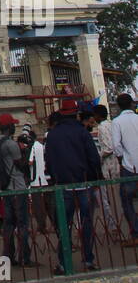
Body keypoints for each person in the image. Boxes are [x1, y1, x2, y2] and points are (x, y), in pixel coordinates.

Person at [44, 97, 102, 273]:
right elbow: (93, 157)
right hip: (83, 182)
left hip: (63, 184)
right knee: (86, 222)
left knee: (64, 224)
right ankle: (88, 260)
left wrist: (55, 178)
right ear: (76, 115)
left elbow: (50, 160)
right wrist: (96, 178)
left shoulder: (53, 134)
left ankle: (63, 263)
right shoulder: (82, 132)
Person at [0, 113, 34, 268]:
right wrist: (25, 150)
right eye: (13, 125)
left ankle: (8, 256)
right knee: (22, 223)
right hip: (17, 185)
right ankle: (25, 257)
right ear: (10, 127)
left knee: (9, 224)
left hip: (5, 187)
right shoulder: (10, 144)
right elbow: (20, 164)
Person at [111, 94, 138, 243]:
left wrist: (121, 159)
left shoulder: (117, 122)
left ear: (119, 106)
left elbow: (116, 145)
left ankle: (136, 233)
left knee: (127, 200)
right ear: (132, 104)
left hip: (129, 165)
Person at [92, 104, 118, 231]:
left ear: (97, 115)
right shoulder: (112, 124)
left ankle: (113, 225)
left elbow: (108, 148)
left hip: (108, 167)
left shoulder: (102, 127)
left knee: (108, 200)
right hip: (116, 165)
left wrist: (98, 157)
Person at [25, 125, 53, 233]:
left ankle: (42, 226)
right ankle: (53, 224)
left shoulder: (31, 147)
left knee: (38, 204)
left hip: (35, 179)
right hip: (46, 178)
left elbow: (30, 162)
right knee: (48, 203)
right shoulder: (42, 146)